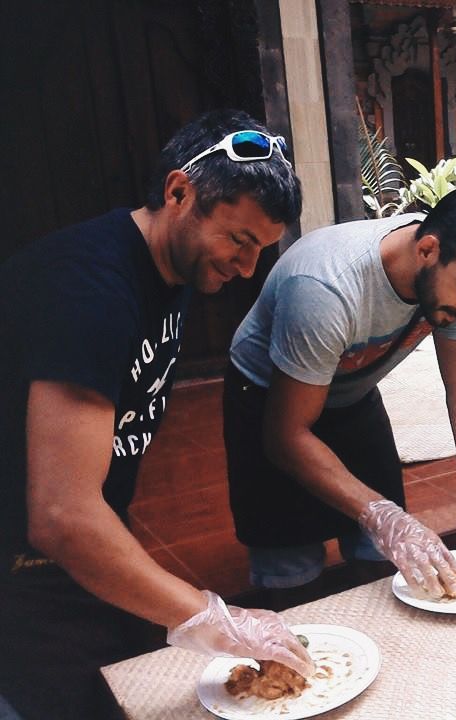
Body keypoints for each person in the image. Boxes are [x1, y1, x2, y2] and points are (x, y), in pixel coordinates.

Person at [0, 109, 314, 720]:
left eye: (261, 249)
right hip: (23, 561)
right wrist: (209, 614)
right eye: (239, 241)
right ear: (179, 192)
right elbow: (62, 516)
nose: (248, 268)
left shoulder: (172, 270)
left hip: (81, 540)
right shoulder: (87, 289)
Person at [224, 185, 456, 600]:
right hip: (268, 398)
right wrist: (381, 514)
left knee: (388, 557)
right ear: (428, 250)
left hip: (353, 393)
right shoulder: (327, 288)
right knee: (292, 575)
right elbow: (287, 436)